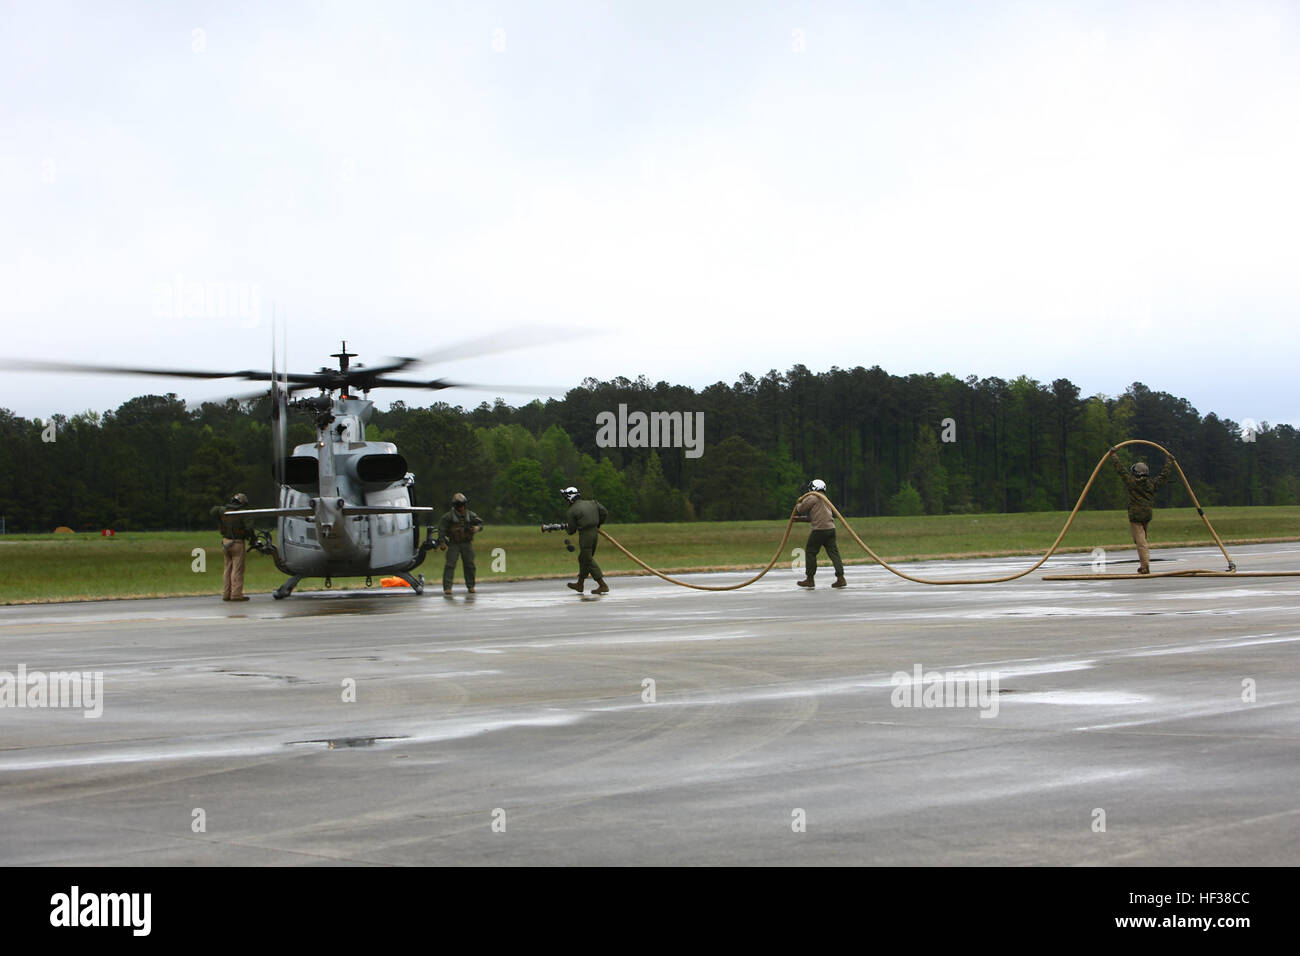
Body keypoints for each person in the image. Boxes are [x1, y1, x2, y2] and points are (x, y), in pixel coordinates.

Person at [1109, 448, 1174, 574]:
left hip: (1136, 516)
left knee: (1140, 542)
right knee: (1140, 539)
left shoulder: (1131, 482)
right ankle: (1143, 564)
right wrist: (1169, 462)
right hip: (1147, 515)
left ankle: (1145, 566)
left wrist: (1114, 456)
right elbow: (1163, 476)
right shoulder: (1151, 484)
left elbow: (1121, 470)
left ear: (1135, 472)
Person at [794, 478, 846, 589]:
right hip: (831, 529)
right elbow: (814, 517)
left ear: (813, 488)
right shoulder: (825, 499)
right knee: (834, 553)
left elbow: (801, 509)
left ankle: (810, 579)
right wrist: (799, 520)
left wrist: (799, 502)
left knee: (810, 552)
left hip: (819, 530)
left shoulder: (812, 497)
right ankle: (841, 578)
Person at [562, 486, 609, 594]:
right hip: (594, 534)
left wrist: (567, 527)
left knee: (587, 559)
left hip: (585, 536)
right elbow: (604, 512)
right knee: (583, 558)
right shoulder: (593, 503)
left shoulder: (571, 510)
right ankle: (580, 584)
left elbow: (571, 531)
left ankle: (603, 585)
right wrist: (598, 524)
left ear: (570, 498)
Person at [437, 492, 484, 594]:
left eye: (463, 504)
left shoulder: (470, 515)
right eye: (459, 505)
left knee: (470, 565)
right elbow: (441, 530)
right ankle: (447, 587)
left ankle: (471, 585)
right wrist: (442, 542)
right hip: (454, 543)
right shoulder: (448, 517)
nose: (462, 507)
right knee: (450, 565)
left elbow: (480, 523)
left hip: (467, 543)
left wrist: (477, 528)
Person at [212, 493, 255, 601]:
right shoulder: (242, 513)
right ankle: (236, 595)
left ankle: (226, 594)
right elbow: (249, 528)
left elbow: (213, 511)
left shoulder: (223, 511)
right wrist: (253, 539)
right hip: (237, 543)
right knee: (237, 570)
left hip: (225, 542)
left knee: (227, 569)